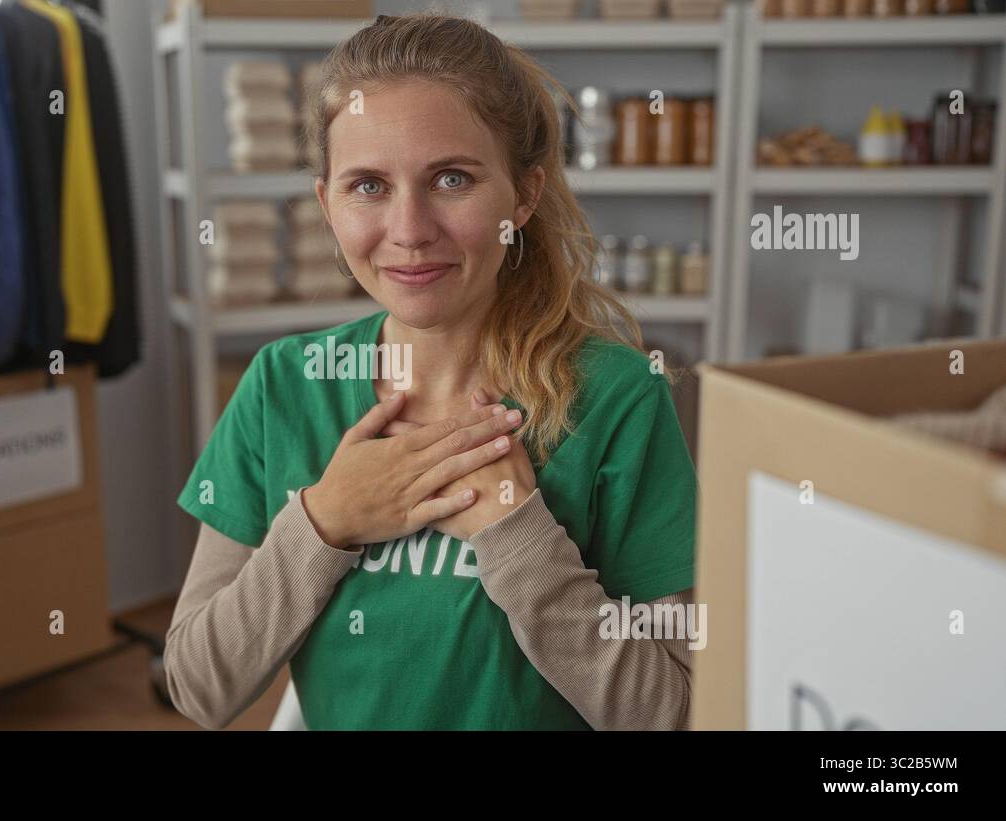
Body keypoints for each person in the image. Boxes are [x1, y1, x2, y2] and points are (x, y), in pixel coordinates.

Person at [166, 12, 697, 731]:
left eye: (451, 178)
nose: (410, 229)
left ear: (524, 194)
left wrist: (519, 538)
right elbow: (197, 687)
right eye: (367, 186)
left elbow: (677, 711)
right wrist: (325, 521)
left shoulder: (616, 397)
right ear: (327, 204)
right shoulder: (284, 385)